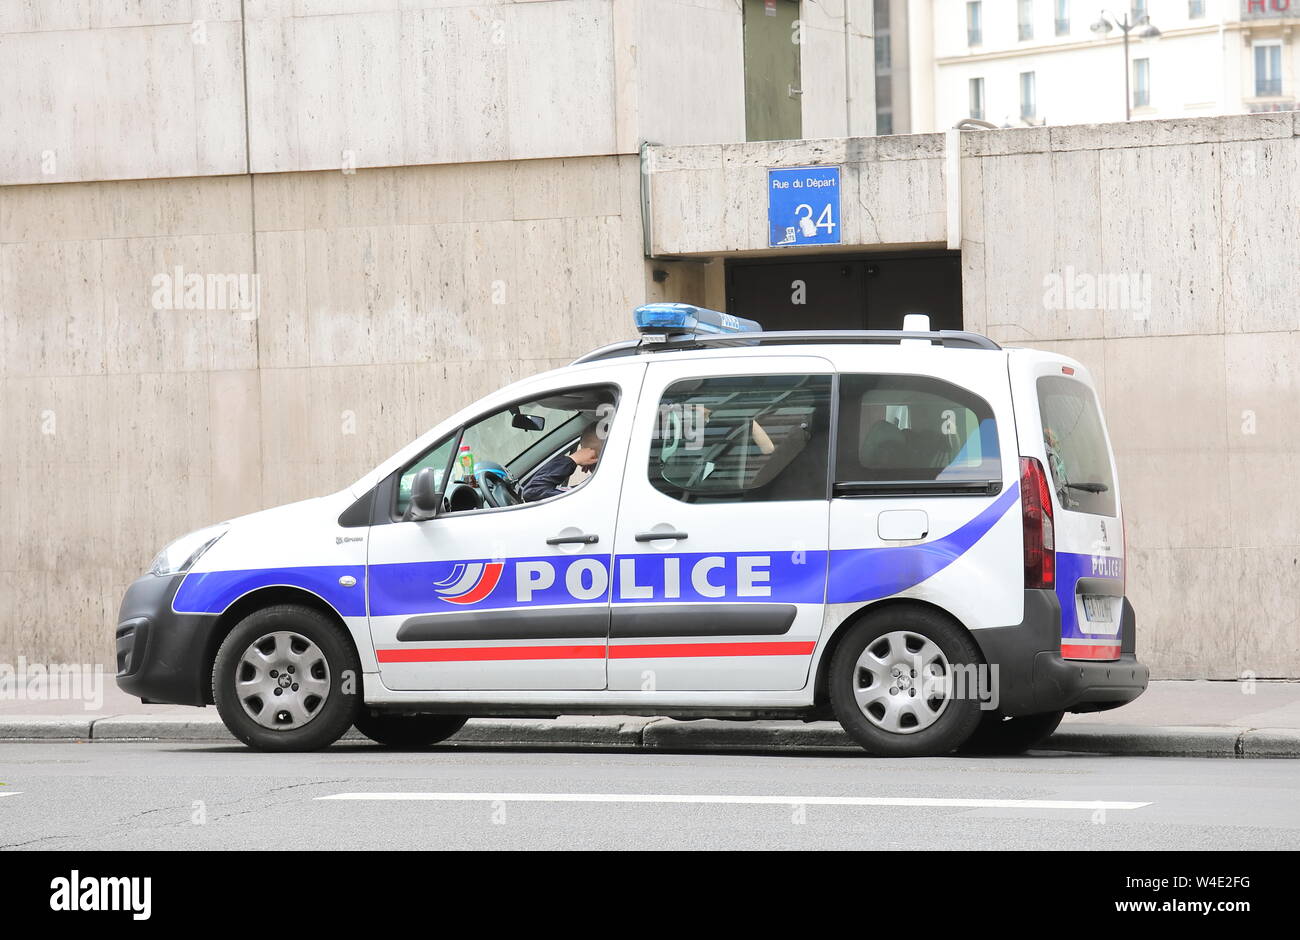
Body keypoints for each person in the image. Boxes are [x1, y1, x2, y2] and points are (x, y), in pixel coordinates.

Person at [522, 421, 606, 502]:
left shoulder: (595, 491)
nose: (581, 453)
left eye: (583, 451)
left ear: (591, 454)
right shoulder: (599, 488)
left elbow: (532, 492)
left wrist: (573, 459)